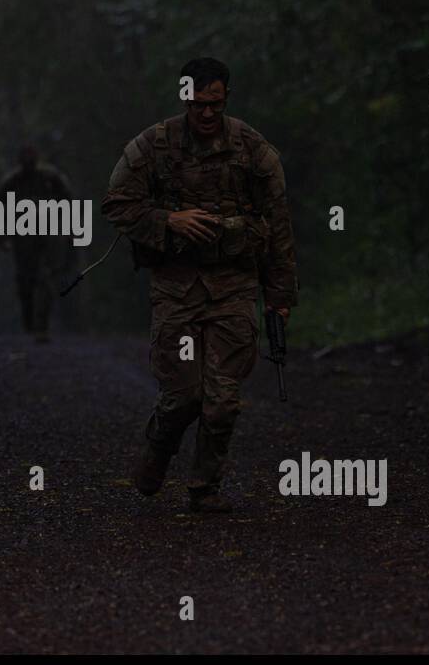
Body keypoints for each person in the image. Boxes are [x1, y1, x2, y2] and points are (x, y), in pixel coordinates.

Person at [101, 57, 299, 513]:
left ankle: (204, 486)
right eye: (196, 104)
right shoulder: (154, 144)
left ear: (226, 97)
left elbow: (279, 223)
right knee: (183, 396)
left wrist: (280, 296)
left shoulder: (253, 149)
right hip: (176, 288)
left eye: (214, 103)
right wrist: (169, 220)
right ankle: (159, 445)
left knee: (223, 399)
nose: (206, 114)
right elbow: (116, 204)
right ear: (183, 97)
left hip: (233, 285)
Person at [0, 145, 73, 342]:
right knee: (25, 281)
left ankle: (42, 324)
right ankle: (29, 320)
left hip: (48, 234)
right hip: (23, 237)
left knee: (46, 278)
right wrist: (1, 236)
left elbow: (69, 201)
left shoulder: (51, 177)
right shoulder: (12, 181)